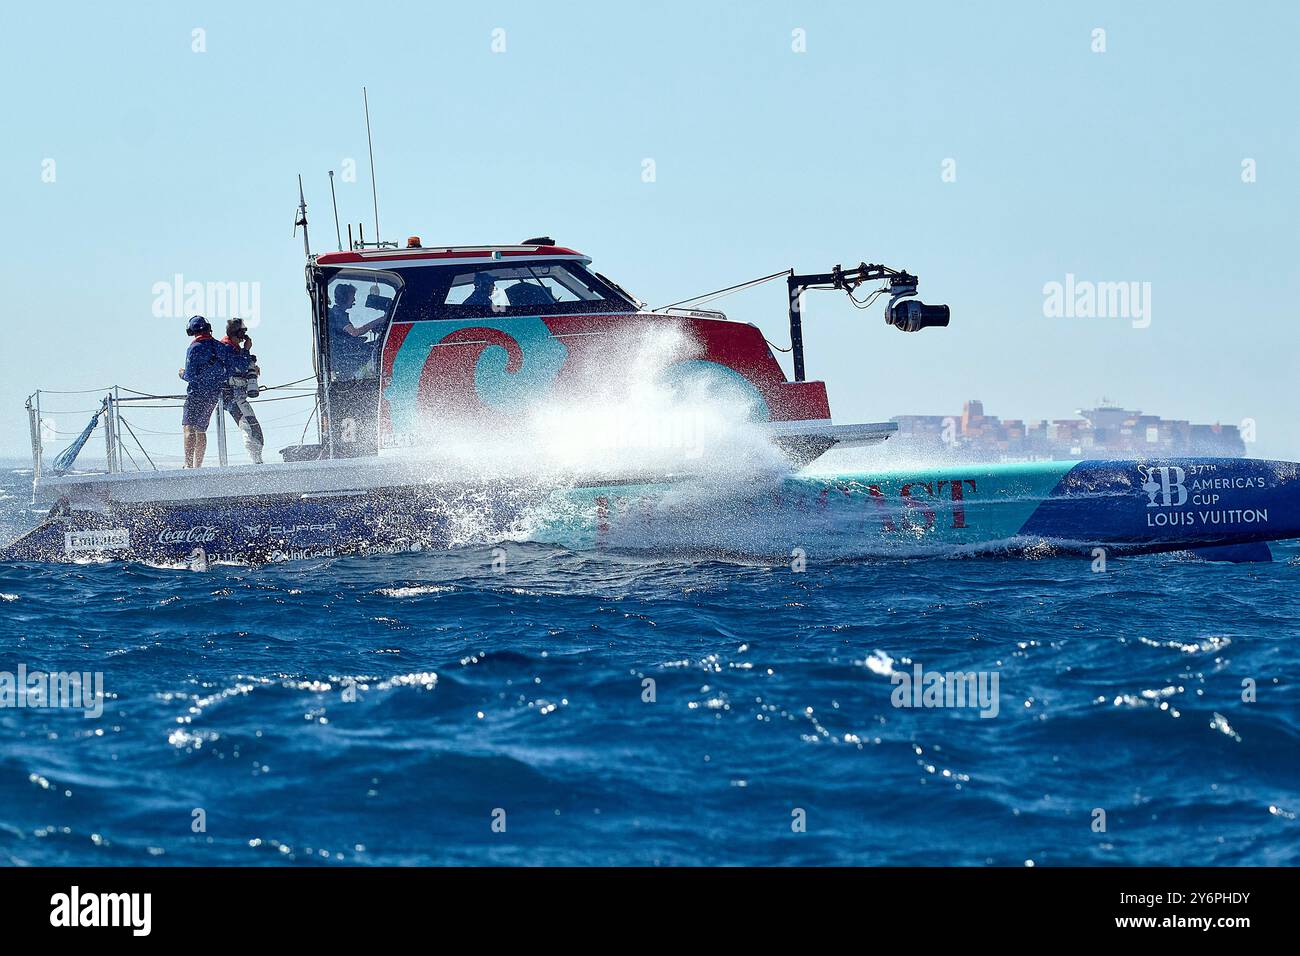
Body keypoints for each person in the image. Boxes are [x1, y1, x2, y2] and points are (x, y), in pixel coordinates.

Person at [178, 315, 228, 468]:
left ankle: (188, 466)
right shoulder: (219, 346)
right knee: (201, 429)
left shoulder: (194, 348)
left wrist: (182, 374)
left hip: (196, 394)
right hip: (213, 395)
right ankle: (198, 466)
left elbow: (191, 375)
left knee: (189, 427)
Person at [221, 318, 264, 464]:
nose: (245, 334)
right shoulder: (226, 347)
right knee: (250, 426)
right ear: (237, 333)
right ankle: (256, 462)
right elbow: (238, 365)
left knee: (252, 425)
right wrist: (246, 350)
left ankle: (257, 460)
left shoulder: (233, 348)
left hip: (239, 395)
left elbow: (241, 364)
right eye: (243, 331)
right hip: (232, 396)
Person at [328, 283, 387, 379]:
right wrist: (380, 320)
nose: (354, 300)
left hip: (347, 353)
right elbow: (354, 332)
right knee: (381, 345)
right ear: (344, 297)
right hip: (348, 355)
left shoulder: (338, 312)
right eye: (352, 297)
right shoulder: (338, 314)